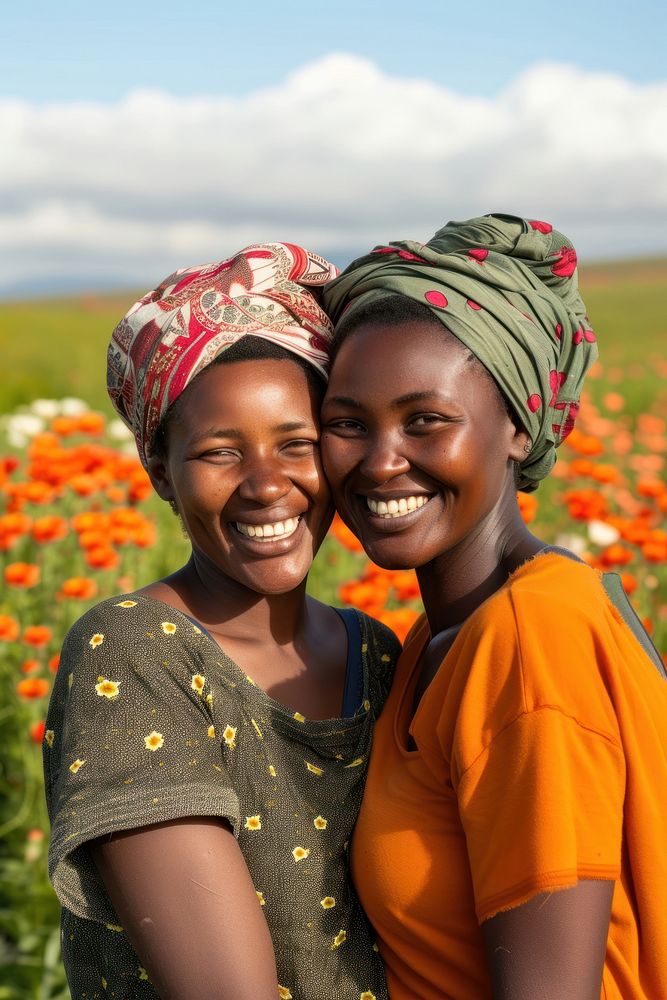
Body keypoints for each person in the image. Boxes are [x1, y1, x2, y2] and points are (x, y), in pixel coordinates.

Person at [319, 214, 667, 1000]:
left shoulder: (529, 633)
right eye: (346, 423)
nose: (379, 463)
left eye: (425, 421)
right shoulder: (435, 643)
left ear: (514, 427)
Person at [43, 242, 399, 1000]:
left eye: (296, 443)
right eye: (219, 452)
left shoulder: (378, 653)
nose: (267, 485)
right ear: (161, 473)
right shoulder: (136, 654)